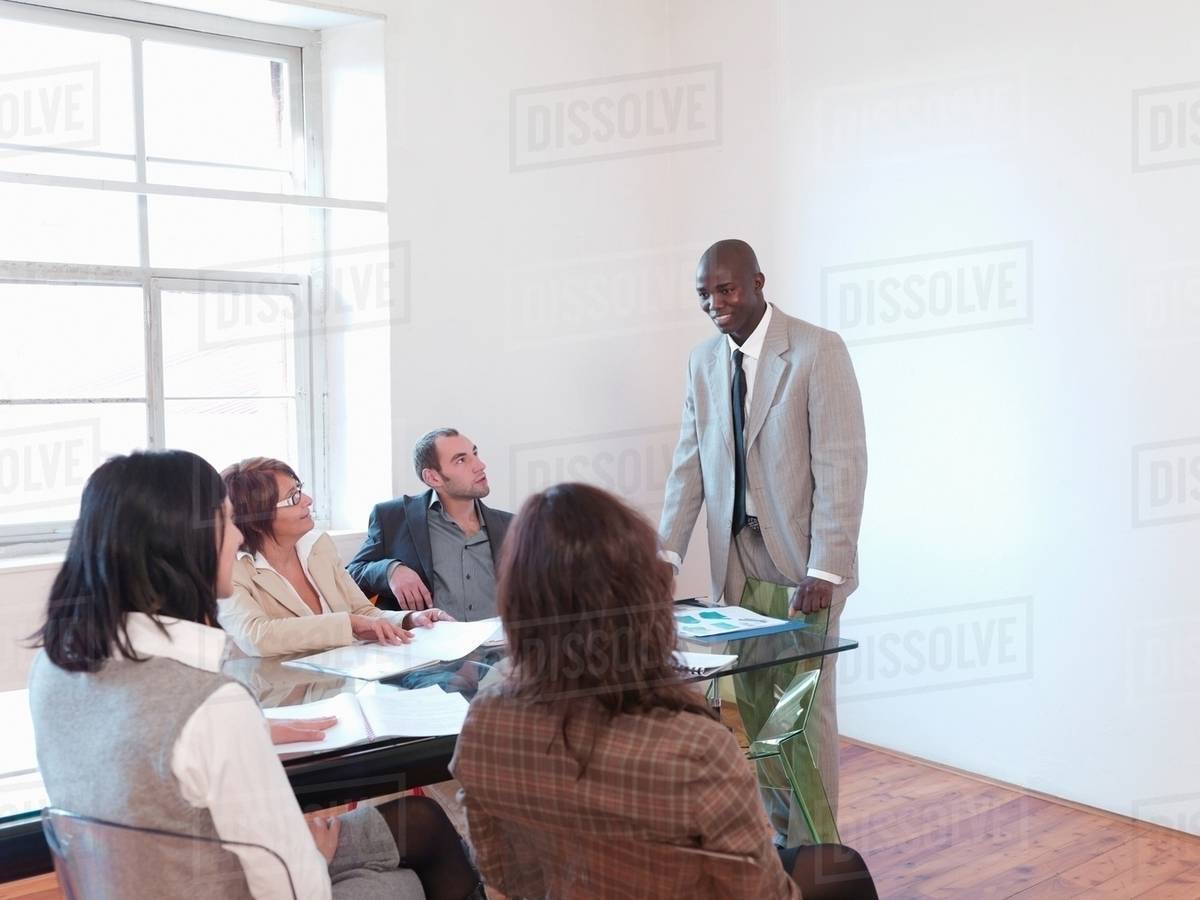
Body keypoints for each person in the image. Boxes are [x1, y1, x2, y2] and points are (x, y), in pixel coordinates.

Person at [29, 450, 481, 900]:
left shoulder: (51, 667)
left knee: (419, 823)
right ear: (185, 543)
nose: (234, 538)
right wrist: (314, 858)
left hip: (140, 879)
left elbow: (145, 752)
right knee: (406, 871)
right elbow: (290, 883)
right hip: (228, 884)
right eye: (226, 523)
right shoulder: (212, 705)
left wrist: (248, 731)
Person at [450, 483, 877, 900]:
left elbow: (496, 876)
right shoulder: (693, 745)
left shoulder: (485, 720)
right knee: (841, 867)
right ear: (645, 597)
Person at [659, 239, 868, 825]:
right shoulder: (703, 361)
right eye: (704, 294)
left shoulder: (816, 351)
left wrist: (827, 567)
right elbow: (689, 464)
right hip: (738, 559)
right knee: (753, 704)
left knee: (800, 709)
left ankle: (817, 849)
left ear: (757, 283)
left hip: (804, 565)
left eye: (725, 289)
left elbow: (841, 466)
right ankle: (779, 839)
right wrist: (666, 553)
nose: (714, 303)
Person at [217, 457, 453, 658]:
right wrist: (348, 623)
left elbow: (365, 613)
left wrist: (412, 619)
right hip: (281, 696)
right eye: (293, 497)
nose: (308, 499)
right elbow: (257, 636)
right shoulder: (230, 568)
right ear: (256, 520)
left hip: (343, 681)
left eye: (300, 489)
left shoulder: (319, 547)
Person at [347, 429, 513, 621]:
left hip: (497, 648)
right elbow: (351, 575)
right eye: (461, 460)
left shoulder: (512, 526)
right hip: (425, 646)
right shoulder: (393, 517)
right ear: (433, 478)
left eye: (475, 454)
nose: (480, 465)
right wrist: (390, 570)